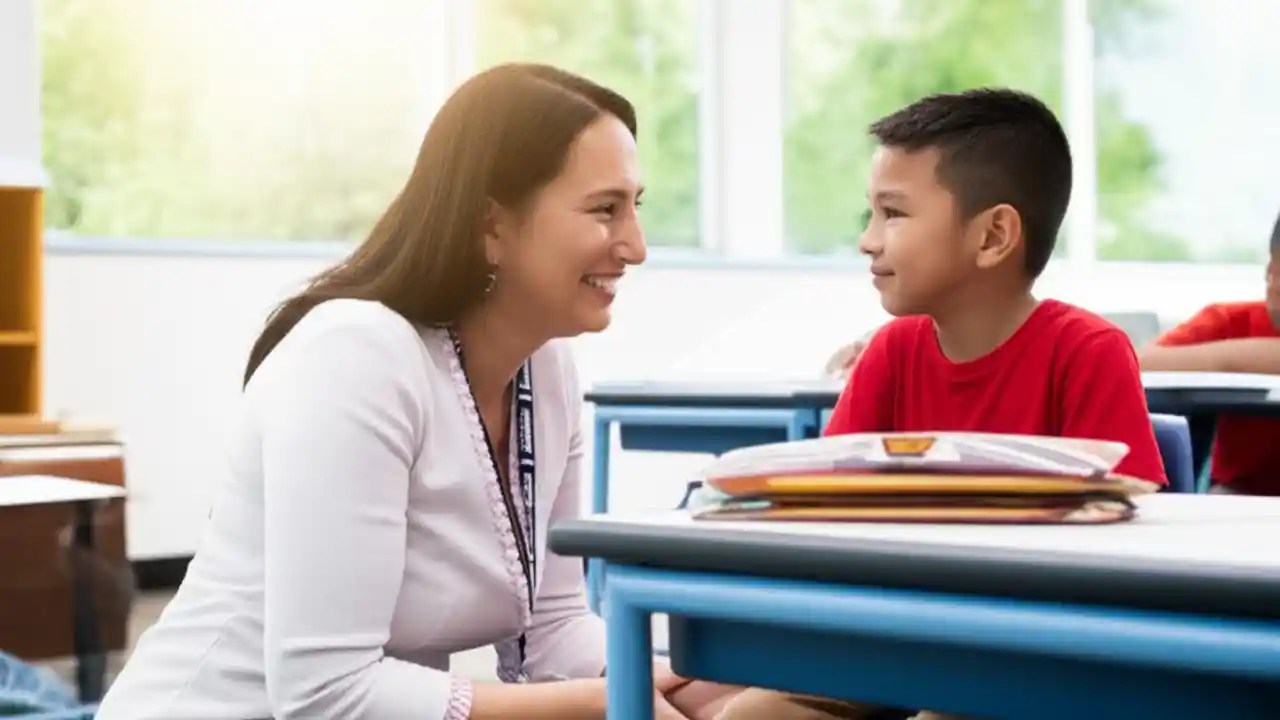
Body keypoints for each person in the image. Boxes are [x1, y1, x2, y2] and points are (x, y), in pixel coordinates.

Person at [95, 63, 732, 720]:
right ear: (491, 226)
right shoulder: (357, 357)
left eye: (636, 206)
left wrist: (694, 679)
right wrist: (613, 702)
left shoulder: (547, 371)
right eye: (605, 209)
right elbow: (325, 695)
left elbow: (556, 633)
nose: (636, 245)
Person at [717, 88, 1167, 720]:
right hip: (895, 645)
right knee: (748, 716)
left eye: (892, 214)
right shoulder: (891, 354)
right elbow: (820, 518)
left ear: (993, 236)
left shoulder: (1088, 352)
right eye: (870, 215)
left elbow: (1130, 552)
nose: (868, 241)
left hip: (1036, 659)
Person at [1137, 209, 1280, 495]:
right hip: (1240, 496)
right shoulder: (1230, 322)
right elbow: (1137, 364)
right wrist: (1238, 359)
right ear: (1271, 274)